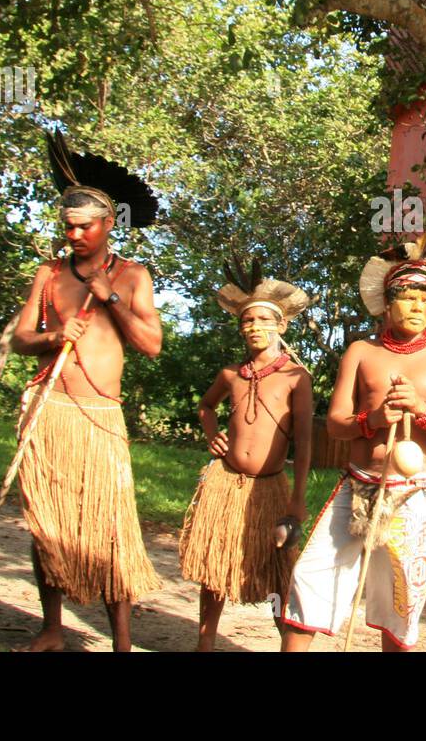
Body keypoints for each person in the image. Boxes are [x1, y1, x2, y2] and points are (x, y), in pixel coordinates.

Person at [8, 131, 163, 651]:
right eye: (68, 226)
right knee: (46, 522)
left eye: (84, 226)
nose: (74, 235)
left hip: (99, 415)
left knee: (111, 524)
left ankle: (121, 640)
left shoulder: (134, 276)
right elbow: (21, 338)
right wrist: (54, 336)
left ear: (108, 224)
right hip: (49, 410)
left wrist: (111, 298)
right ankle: (52, 627)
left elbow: (152, 345)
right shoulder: (48, 273)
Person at [281, 239, 426, 651]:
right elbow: (335, 425)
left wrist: (422, 411)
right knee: (308, 584)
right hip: (357, 487)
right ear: (387, 303)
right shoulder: (361, 352)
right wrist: (372, 421)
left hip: (412, 498)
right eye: (407, 296)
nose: (418, 306)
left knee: (398, 607)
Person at [178, 260, 313, 650]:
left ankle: (286, 643)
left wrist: (298, 499)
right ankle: (205, 643)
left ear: (281, 326)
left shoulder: (295, 377)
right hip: (226, 482)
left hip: (269, 489)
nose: (254, 327)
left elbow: (304, 443)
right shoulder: (230, 375)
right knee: (214, 568)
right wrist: (212, 435)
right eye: (246, 321)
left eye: (263, 320)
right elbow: (206, 407)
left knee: (277, 572)